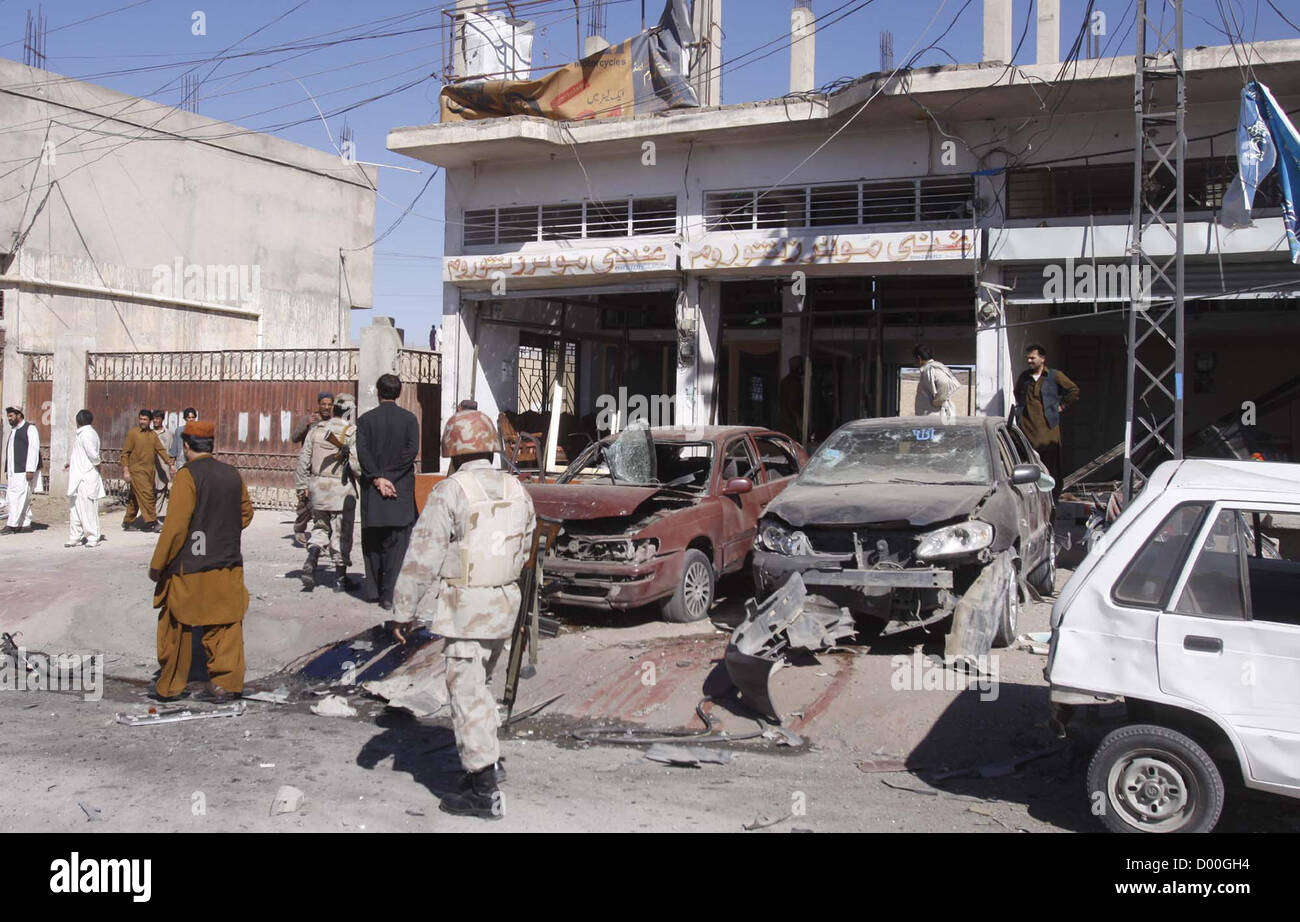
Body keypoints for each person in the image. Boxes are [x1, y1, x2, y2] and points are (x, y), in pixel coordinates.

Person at [392, 407, 535, 819]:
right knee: (481, 685)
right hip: (502, 608)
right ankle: (484, 766)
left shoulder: (451, 491)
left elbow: (423, 554)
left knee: (467, 692)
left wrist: (403, 610)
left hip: (467, 609)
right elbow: (524, 549)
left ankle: (484, 790)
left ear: (453, 451)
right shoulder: (515, 488)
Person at [148, 420, 254, 702]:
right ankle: (226, 686)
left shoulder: (186, 476)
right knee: (226, 624)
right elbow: (246, 514)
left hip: (191, 567)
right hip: (229, 563)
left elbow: (176, 527)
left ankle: (170, 686)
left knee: (176, 624)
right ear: (212, 445)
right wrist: (220, 531)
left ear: (185, 445)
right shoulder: (232, 474)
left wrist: (158, 565)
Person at [356, 375, 419, 611]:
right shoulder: (410, 419)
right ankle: (389, 594)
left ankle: (373, 589)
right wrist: (390, 476)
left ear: (377, 392)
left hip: (373, 489)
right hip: (399, 489)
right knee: (397, 544)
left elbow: (362, 453)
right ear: (399, 393)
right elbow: (411, 451)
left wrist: (377, 477)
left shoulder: (365, 421)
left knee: (372, 542)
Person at [296, 393, 360, 591]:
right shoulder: (351, 431)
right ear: (349, 411)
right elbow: (357, 467)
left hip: (317, 489)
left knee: (320, 528)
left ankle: (312, 558)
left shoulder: (317, 430)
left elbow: (303, 461)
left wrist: (301, 487)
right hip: (340, 491)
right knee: (341, 534)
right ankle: (340, 579)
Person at [1012, 343, 1081, 501]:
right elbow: (1017, 393)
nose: (1029, 361)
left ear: (1042, 359)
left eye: (1032, 358)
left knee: (1051, 469)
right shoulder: (1024, 377)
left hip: (1049, 432)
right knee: (1030, 466)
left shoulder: (1054, 375)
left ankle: (1052, 499)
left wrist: (1062, 405)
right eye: (1028, 358)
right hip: (1028, 431)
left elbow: (1073, 390)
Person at [290, 393, 335, 548]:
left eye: (329, 404)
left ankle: (324, 533)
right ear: (318, 404)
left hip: (326, 468)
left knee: (325, 503)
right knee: (306, 503)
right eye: (324, 404)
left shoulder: (335, 423)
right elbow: (294, 437)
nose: (326, 407)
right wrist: (305, 424)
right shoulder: (310, 420)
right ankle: (300, 528)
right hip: (309, 468)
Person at [121, 408, 171, 532]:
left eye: (145, 419)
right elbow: (125, 453)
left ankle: (128, 522)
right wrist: (126, 470)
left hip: (149, 472)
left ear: (149, 421)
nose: (142, 421)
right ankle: (151, 522)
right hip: (137, 471)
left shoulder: (153, 435)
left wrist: (170, 463)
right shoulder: (133, 433)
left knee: (134, 498)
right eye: (141, 419)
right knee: (147, 495)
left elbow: (161, 450)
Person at [64, 409, 105, 548]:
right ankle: (75, 537)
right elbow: (81, 454)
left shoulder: (87, 434)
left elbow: (93, 455)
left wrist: (98, 464)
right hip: (78, 477)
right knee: (75, 509)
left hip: (85, 477)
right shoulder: (82, 434)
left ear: (78, 421)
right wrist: (72, 462)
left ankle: (93, 537)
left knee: (88, 509)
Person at [3, 406, 42, 534]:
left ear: (19, 415)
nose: (9, 418)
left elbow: (33, 450)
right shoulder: (14, 430)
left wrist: (30, 469)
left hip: (24, 470)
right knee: (22, 497)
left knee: (16, 497)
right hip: (14, 471)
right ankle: (25, 524)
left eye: (11, 416)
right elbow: (11, 453)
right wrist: (8, 471)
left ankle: (12, 525)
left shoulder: (30, 429)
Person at [913, 343, 960, 422]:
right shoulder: (928, 369)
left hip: (934, 417)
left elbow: (944, 382)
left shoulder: (931, 368)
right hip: (929, 417)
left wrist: (938, 402)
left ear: (919, 358)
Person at [151, 409, 174, 517]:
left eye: (157, 418)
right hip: (150, 467)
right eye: (154, 418)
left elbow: (169, 452)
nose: (155, 421)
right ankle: (150, 516)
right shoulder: (149, 433)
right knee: (150, 492)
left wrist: (171, 466)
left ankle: (155, 516)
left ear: (162, 420)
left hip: (163, 469)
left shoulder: (168, 434)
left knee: (160, 492)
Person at [778, 356, 806, 442]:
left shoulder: (786, 381)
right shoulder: (794, 382)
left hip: (786, 421)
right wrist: (799, 421)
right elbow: (791, 404)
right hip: (791, 423)